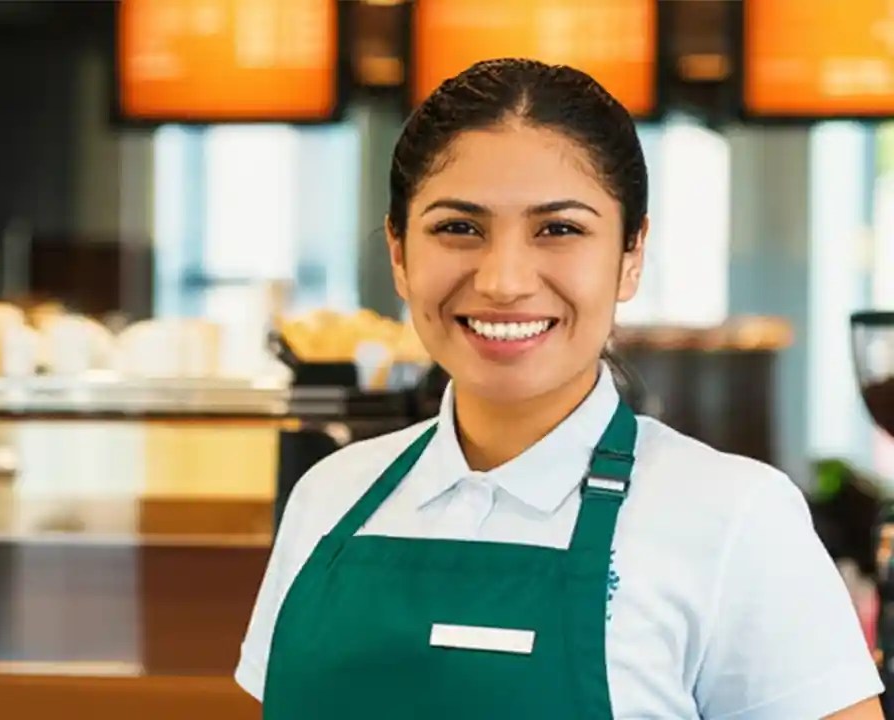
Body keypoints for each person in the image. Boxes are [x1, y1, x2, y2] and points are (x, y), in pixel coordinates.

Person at [236, 58, 885, 719]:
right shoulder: (329, 496)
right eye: (459, 228)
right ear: (400, 254)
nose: (505, 280)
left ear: (631, 254)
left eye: (560, 229)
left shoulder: (734, 519)